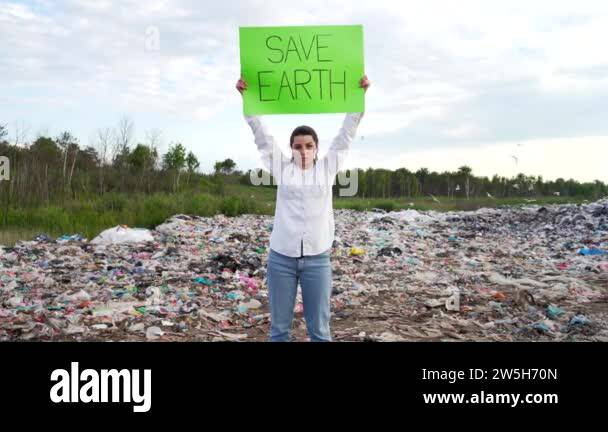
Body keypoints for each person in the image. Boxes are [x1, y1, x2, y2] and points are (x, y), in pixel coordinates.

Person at [236, 75, 370, 341]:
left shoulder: (327, 168)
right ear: (291, 149)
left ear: (316, 148)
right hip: (281, 258)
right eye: (298, 146)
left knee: (320, 332)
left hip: (317, 259)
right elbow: (262, 136)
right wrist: (247, 99)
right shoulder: (282, 168)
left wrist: (359, 98)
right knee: (279, 331)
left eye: (309, 145)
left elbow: (346, 136)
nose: (304, 151)